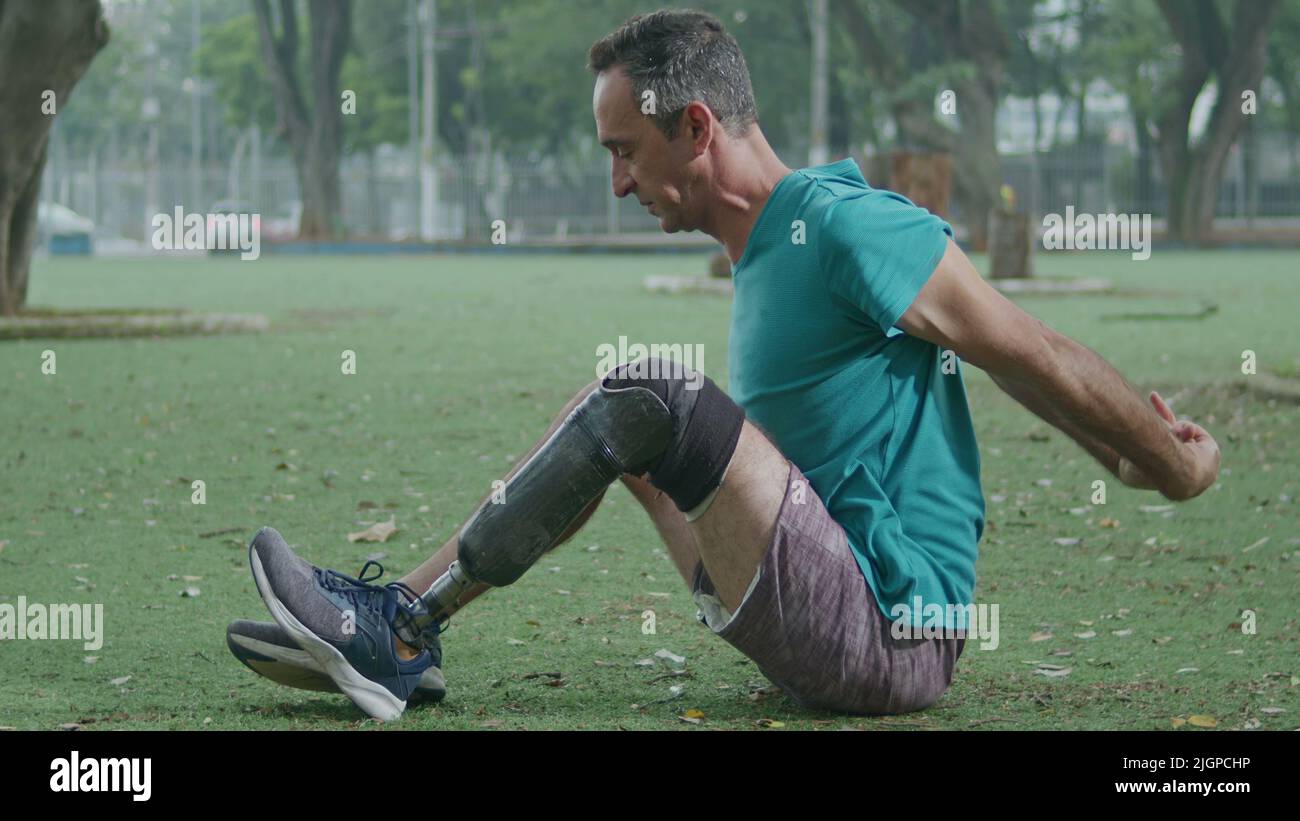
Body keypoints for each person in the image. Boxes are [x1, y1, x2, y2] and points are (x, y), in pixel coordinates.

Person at [227, 9, 1221, 722]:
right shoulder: (761, 250)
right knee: (614, 404)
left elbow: (1022, 346)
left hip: (891, 633)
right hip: (806, 608)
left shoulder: (842, 225)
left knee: (650, 391)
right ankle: (402, 627)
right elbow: (1000, 367)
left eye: (624, 152)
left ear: (694, 126)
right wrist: (1111, 456)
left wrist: (1158, 460)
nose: (617, 183)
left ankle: (394, 625)